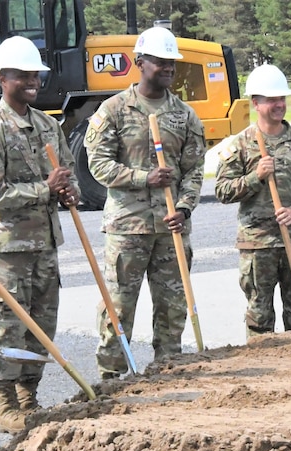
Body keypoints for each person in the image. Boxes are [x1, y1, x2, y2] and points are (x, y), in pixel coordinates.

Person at [84, 26, 205, 379]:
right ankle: (112, 375)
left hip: (171, 228)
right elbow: (98, 165)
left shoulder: (184, 115)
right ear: (140, 62)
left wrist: (183, 208)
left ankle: (168, 371)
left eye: (172, 62)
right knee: (118, 306)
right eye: (160, 61)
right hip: (128, 228)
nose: (168, 67)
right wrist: (143, 178)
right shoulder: (114, 111)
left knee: (172, 307)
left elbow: (195, 168)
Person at [0, 36, 79, 433]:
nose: (32, 81)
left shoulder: (48, 125)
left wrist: (67, 191)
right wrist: (45, 186)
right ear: (2, 79)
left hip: (45, 244)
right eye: (22, 75)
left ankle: (29, 398)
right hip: (9, 249)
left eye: (35, 74)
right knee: (10, 324)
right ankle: (6, 405)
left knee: (43, 324)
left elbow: (65, 173)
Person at [215, 64, 291, 338]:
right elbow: (223, 190)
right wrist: (256, 176)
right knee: (259, 316)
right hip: (257, 244)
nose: (279, 104)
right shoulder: (239, 145)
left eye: (282, 99)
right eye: (272, 99)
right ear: (255, 103)